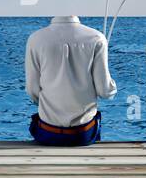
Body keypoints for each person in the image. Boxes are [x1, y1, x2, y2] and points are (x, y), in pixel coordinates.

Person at [24, 15, 117, 146]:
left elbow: (31, 90)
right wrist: (111, 86)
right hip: (83, 134)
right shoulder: (97, 38)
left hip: (47, 133)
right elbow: (105, 92)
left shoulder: (35, 39)